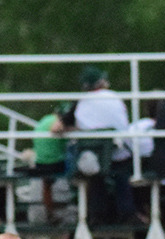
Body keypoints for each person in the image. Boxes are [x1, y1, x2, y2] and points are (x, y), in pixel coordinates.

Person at [53, 66, 136, 224]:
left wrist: (78, 129)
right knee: (120, 172)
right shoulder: (114, 97)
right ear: (101, 82)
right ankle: (127, 213)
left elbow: (56, 129)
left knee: (95, 173)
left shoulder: (80, 102)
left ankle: (97, 216)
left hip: (95, 161)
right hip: (120, 156)